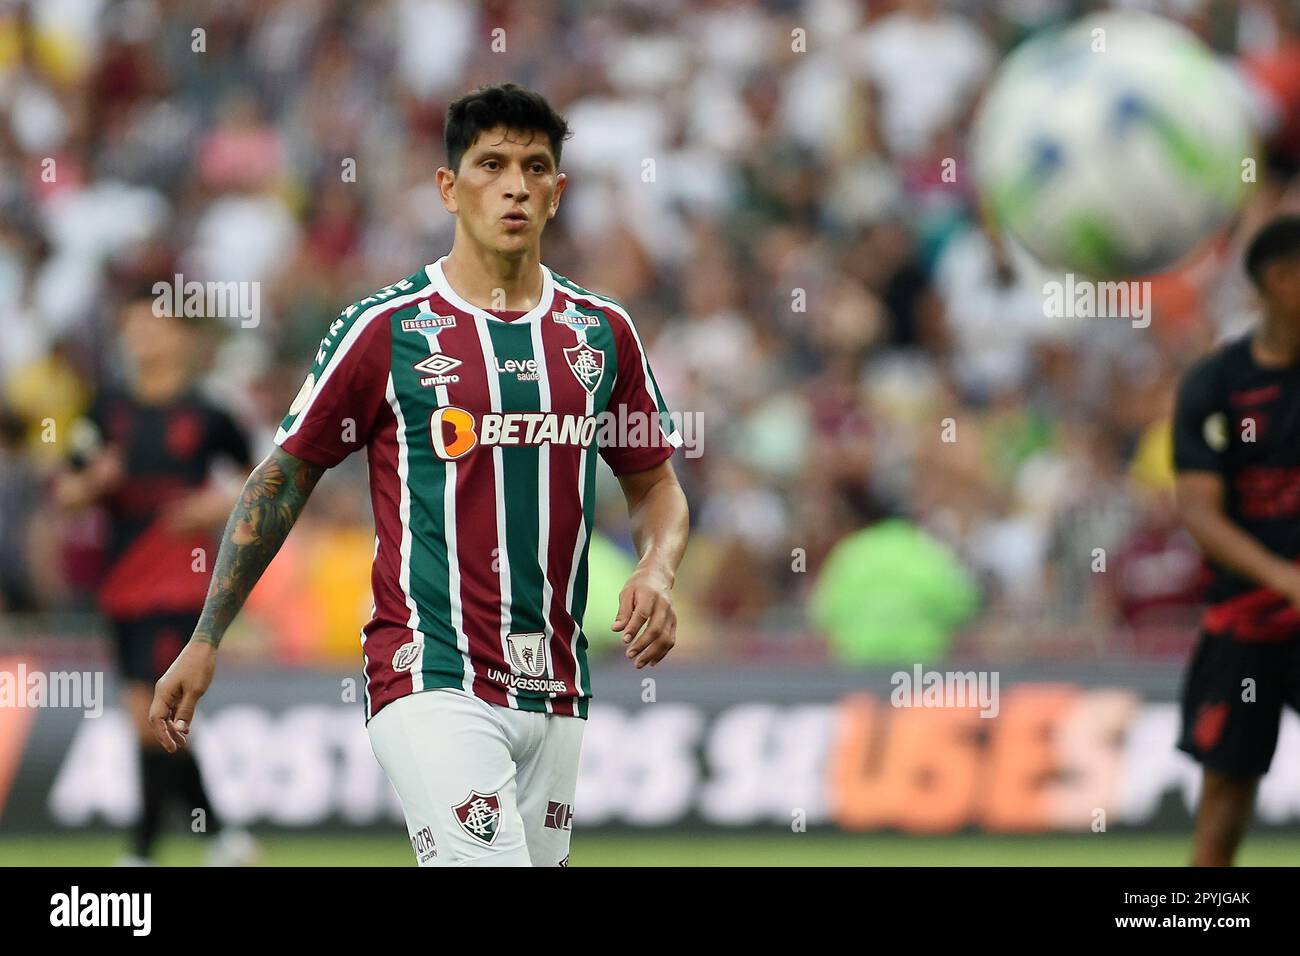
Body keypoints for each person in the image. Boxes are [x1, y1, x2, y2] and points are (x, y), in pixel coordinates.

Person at [149, 83, 690, 866]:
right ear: (448, 186)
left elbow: (657, 485)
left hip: (560, 683)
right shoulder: (387, 328)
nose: (515, 185)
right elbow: (282, 478)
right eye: (491, 164)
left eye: (536, 168)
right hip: (430, 670)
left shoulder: (601, 333)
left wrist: (659, 569)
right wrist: (207, 637)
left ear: (558, 192)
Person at [55, 298, 258, 866]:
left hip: (179, 582)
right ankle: (222, 837)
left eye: (152, 325)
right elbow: (65, 494)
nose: (140, 336)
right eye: (131, 326)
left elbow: (261, 484)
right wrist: (94, 481)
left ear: (180, 338)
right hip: (121, 585)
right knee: (149, 721)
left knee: (151, 714)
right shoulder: (103, 411)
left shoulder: (210, 413)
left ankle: (142, 854)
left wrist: (210, 507)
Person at [1172, 214, 1300, 866]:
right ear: (1280, 280)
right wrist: (1285, 579)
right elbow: (1199, 513)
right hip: (1246, 622)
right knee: (1225, 791)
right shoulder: (1216, 385)